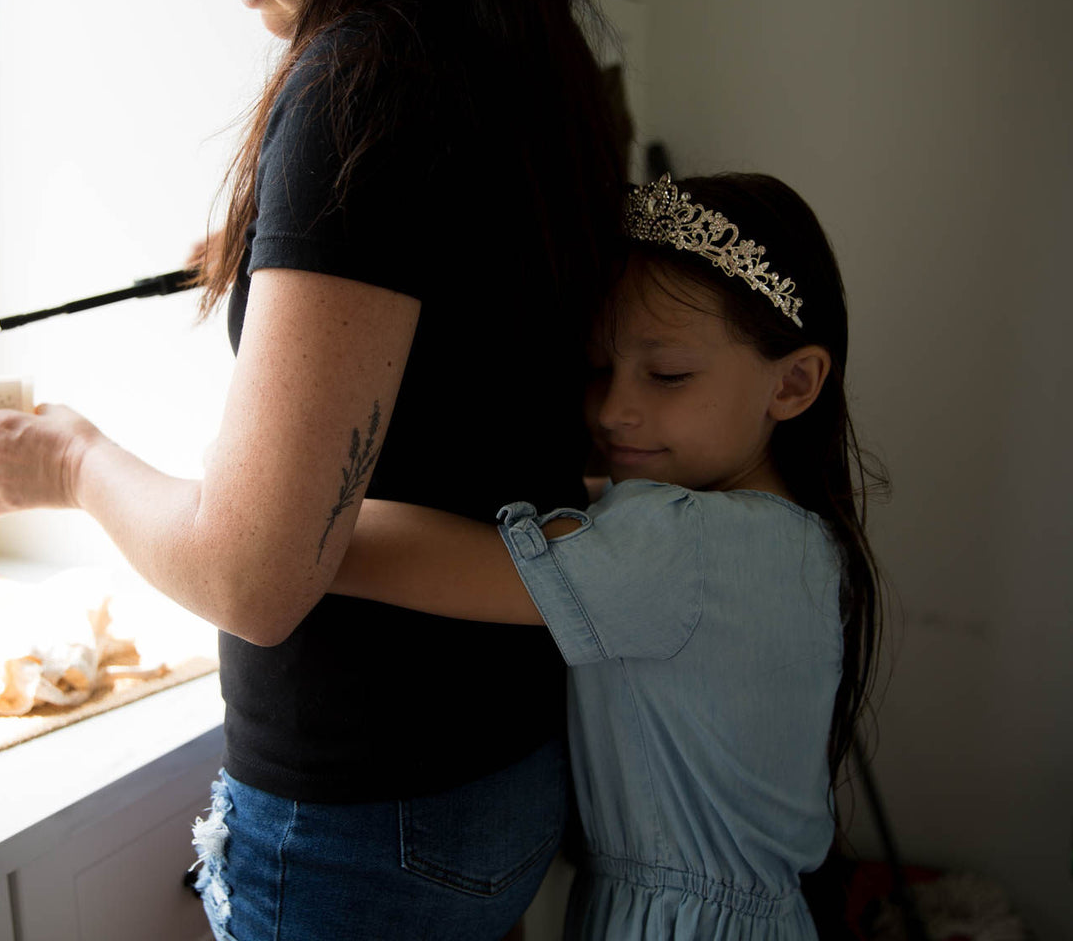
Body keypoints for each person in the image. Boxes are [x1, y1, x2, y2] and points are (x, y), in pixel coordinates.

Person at [0, 0, 627, 938]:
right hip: (503, 768)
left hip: (366, 820)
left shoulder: (364, 81)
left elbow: (253, 574)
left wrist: (66, 461)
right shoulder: (522, 54)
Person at [333, 172, 887, 940]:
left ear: (793, 383)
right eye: (599, 368)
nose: (614, 408)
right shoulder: (790, 536)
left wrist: (114, 469)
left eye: (667, 375)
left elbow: (351, 551)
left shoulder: (683, 547)